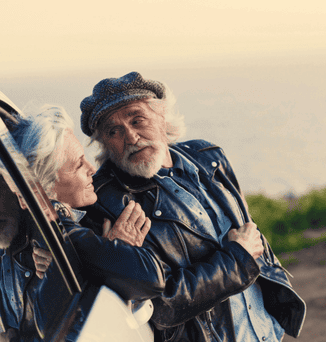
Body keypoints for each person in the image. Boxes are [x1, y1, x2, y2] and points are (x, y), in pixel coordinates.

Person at [80, 71, 306, 342]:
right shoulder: (105, 203)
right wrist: (238, 259)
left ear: (161, 116)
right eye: (113, 131)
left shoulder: (207, 156)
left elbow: (249, 231)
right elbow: (160, 305)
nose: (131, 137)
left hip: (265, 331)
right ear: (104, 143)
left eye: (137, 119)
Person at [0, 105, 166, 341]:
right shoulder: (63, 236)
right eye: (78, 164)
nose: (92, 169)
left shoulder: (23, 235)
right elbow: (151, 278)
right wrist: (114, 252)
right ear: (43, 188)